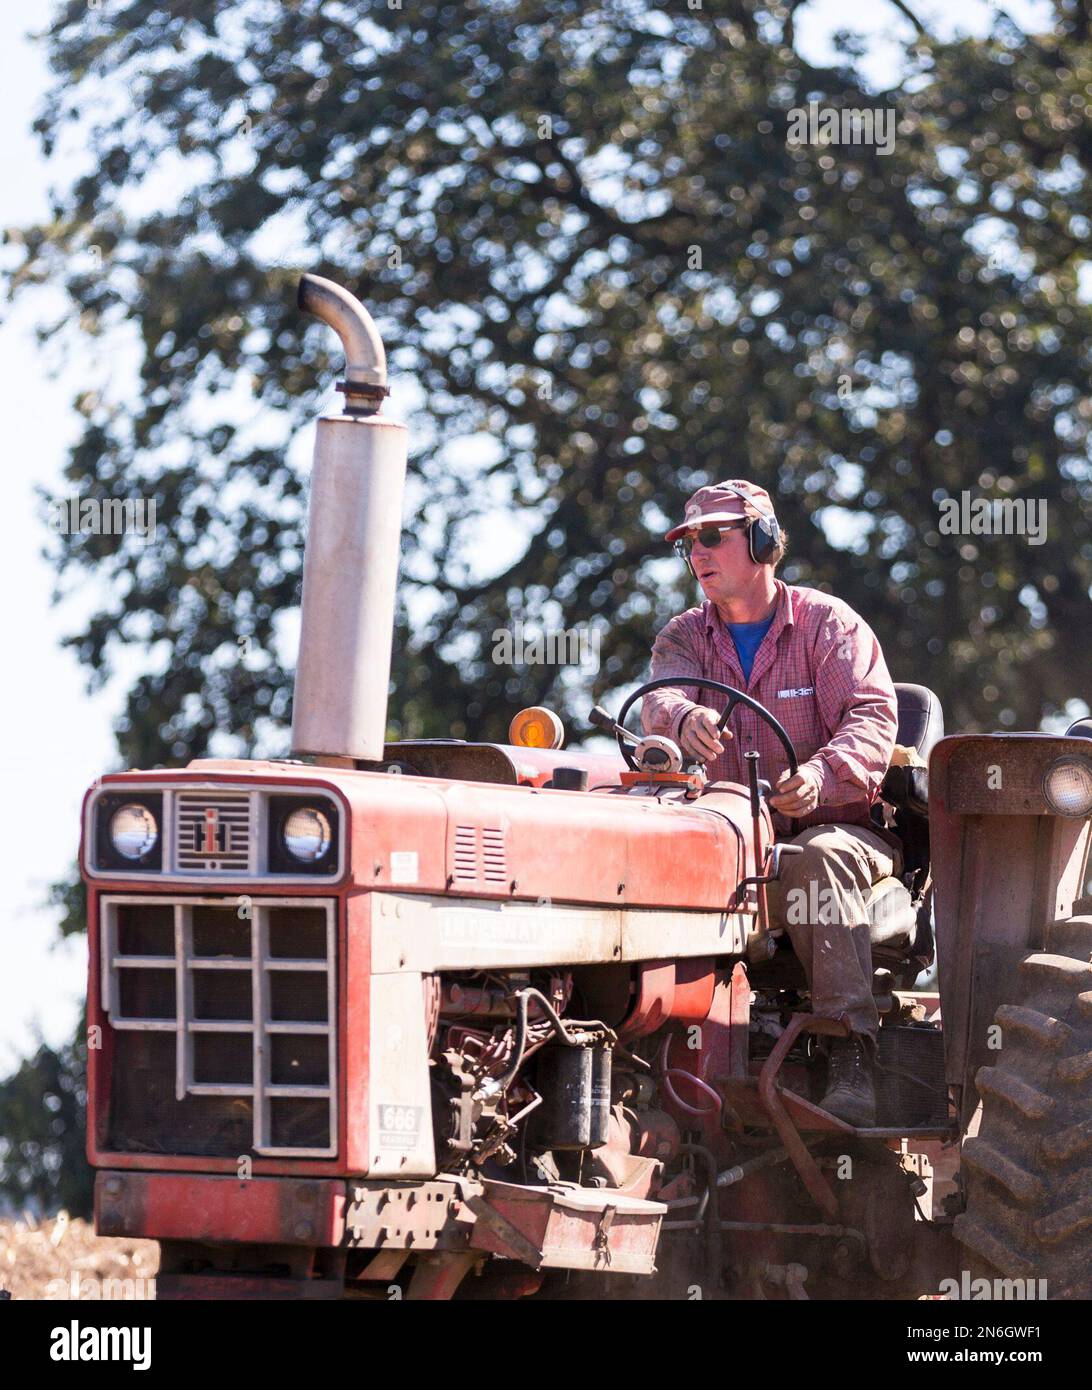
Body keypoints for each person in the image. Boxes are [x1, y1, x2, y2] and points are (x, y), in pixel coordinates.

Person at [641, 480, 902, 1126]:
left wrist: (820, 774)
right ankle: (648, 1053)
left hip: (839, 835)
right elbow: (660, 699)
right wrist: (680, 721)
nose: (697, 553)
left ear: (761, 540)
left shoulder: (827, 625)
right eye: (687, 543)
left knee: (815, 859)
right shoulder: (683, 638)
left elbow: (872, 719)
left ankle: (849, 1052)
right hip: (734, 843)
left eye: (712, 536)